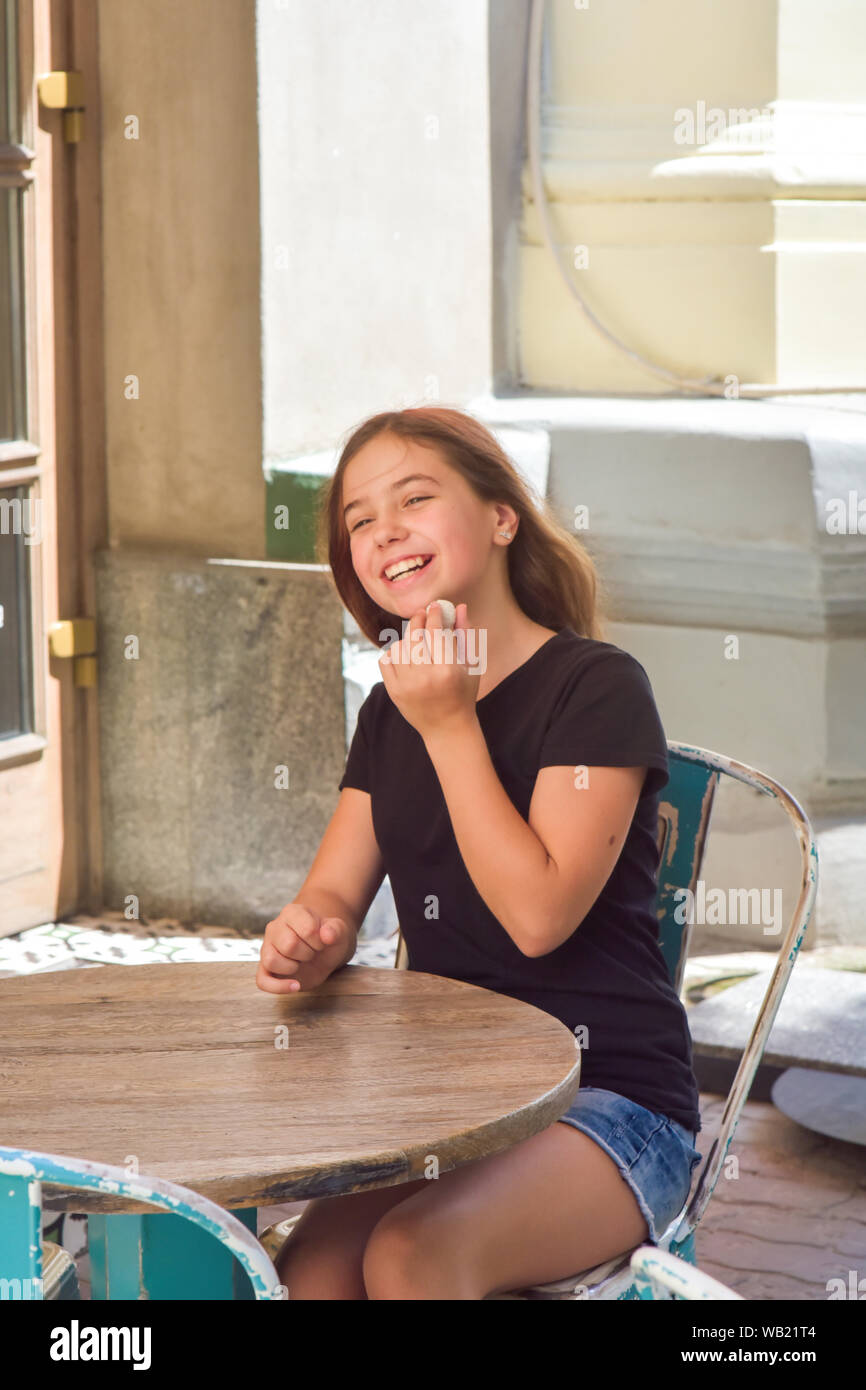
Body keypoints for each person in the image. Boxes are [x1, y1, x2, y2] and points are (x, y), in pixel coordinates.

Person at [256, 405, 702, 1300]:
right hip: (454, 1102)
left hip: (610, 1100)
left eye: (414, 498)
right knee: (310, 1271)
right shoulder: (391, 713)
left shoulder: (595, 686)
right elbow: (332, 899)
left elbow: (537, 919)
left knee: (415, 1257)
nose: (386, 532)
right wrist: (311, 936)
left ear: (503, 518)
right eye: (359, 521)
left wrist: (450, 721)